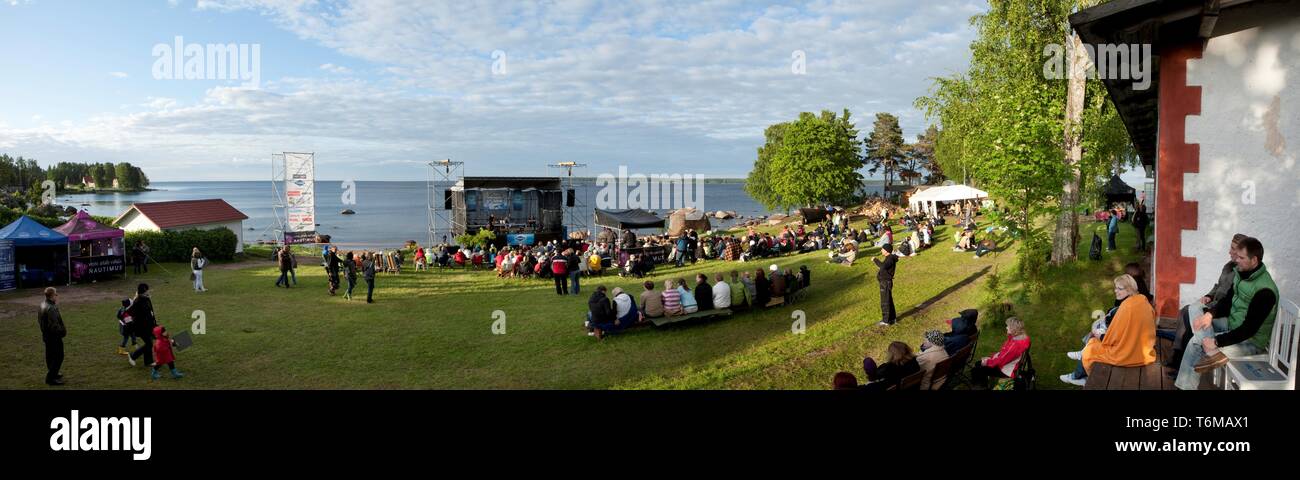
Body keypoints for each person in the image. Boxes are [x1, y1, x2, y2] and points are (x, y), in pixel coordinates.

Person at [1176, 236, 1278, 390]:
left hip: (1252, 341)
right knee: (1194, 309)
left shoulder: (1265, 291)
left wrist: (1216, 342)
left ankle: (1185, 386)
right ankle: (1210, 352)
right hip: (1233, 323)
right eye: (1236, 256)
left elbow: (1248, 330)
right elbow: (1227, 301)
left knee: (1196, 343)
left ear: (1254, 260)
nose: (1236, 260)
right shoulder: (1241, 273)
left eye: (1241, 257)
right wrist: (1210, 314)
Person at [1060, 274, 1156, 386]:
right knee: (1092, 343)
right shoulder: (1143, 301)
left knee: (1090, 349)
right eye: (1115, 287)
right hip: (1143, 348)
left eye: (1119, 288)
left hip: (1129, 354)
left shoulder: (1126, 308)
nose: (1115, 291)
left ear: (1129, 290)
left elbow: (1111, 339)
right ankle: (1079, 368)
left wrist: (1099, 335)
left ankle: (1080, 377)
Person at [1168, 234, 1245, 368]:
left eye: (1233, 249)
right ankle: (1178, 353)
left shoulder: (1241, 272)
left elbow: (1228, 300)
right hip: (1213, 304)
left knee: (1188, 315)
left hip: (1222, 310)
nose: (1229, 252)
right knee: (1185, 311)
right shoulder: (1228, 266)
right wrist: (1208, 296)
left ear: (1241, 252)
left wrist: (1210, 307)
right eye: (1230, 248)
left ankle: (1181, 361)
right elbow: (1218, 286)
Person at [969, 317, 1031, 390]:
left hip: (1006, 370)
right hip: (1010, 364)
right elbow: (1004, 354)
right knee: (979, 365)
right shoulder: (1023, 338)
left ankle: (981, 387)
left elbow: (1001, 361)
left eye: (1008, 326)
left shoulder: (1014, 345)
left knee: (976, 370)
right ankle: (984, 383)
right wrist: (992, 358)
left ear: (1014, 329)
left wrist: (987, 362)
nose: (1006, 327)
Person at [38, 287, 66, 386]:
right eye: (55, 294)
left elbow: (40, 321)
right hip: (54, 336)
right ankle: (50, 378)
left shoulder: (42, 305)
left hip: (46, 335)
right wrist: (62, 332)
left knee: (50, 356)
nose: (56, 296)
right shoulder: (51, 308)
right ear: (51, 296)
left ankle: (53, 373)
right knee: (59, 356)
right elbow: (55, 325)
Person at [127, 283, 157, 368]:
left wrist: (154, 322)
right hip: (141, 327)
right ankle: (133, 355)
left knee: (149, 343)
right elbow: (129, 312)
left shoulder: (146, 299)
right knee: (149, 344)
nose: (148, 291)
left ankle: (148, 362)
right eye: (147, 290)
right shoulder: (137, 301)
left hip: (150, 325)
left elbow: (151, 311)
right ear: (144, 291)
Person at [873, 243, 898, 326]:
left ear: (886, 250)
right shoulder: (889, 258)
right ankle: (892, 318)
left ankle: (886, 321)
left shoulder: (890, 258)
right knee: (889, 300)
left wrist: (875, 260)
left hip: (885, 283)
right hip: (885, 282)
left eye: (882, 249)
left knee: (885, 302)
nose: (881, 250)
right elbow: (884, 268)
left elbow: (883, 266)